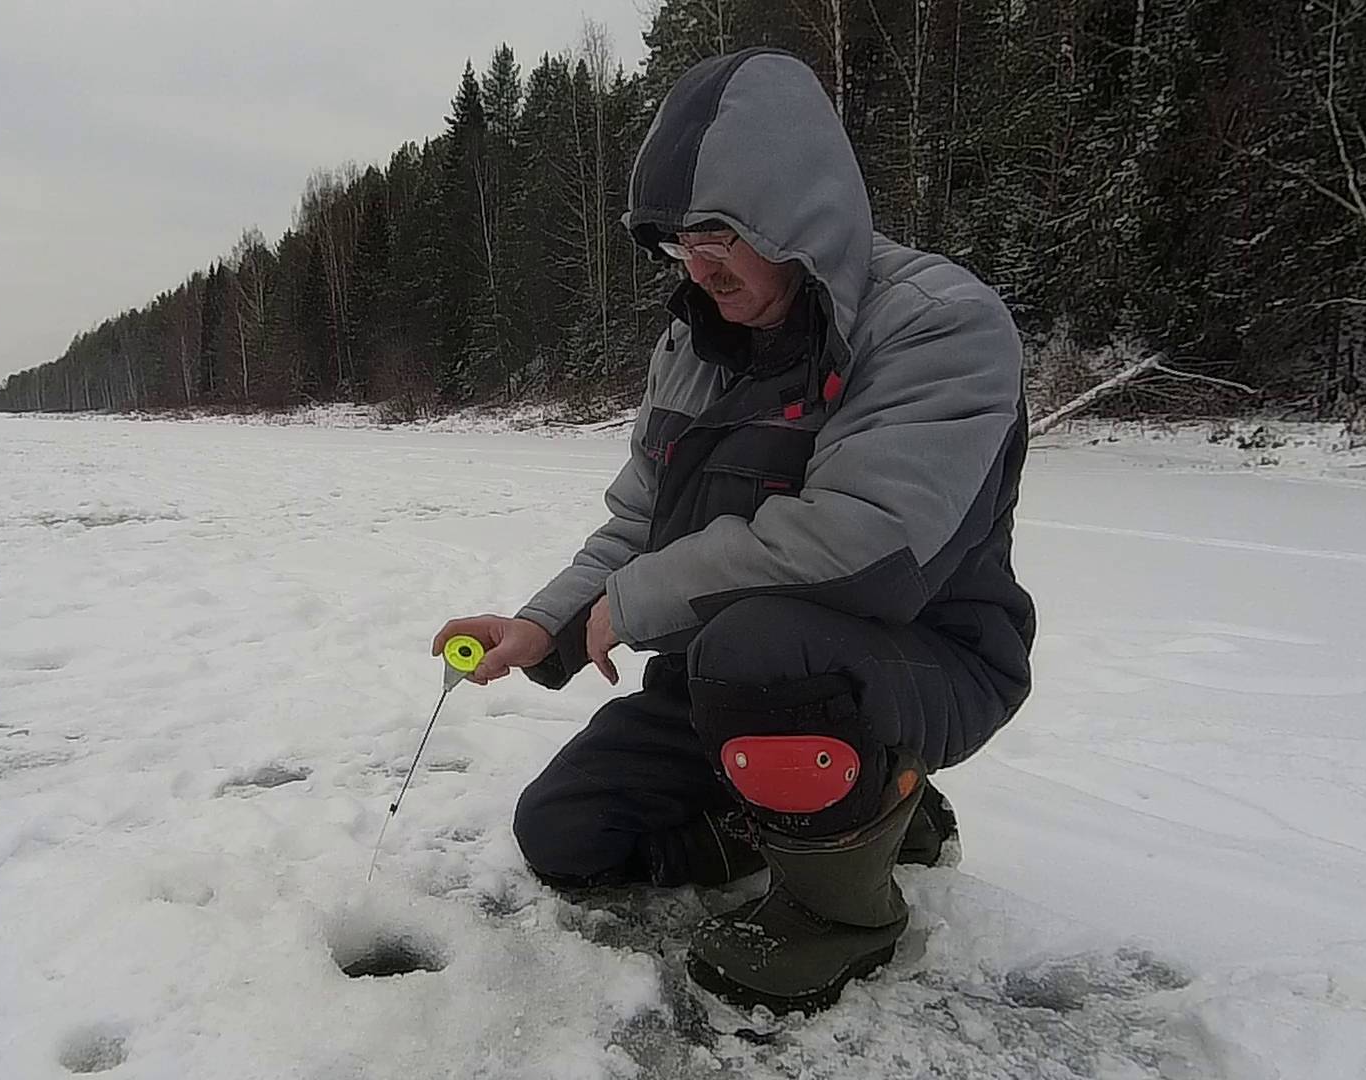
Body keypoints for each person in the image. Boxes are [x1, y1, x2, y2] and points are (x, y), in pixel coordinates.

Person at [433, 47, 1035, 1016]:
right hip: (729, 672)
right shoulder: (694, 342)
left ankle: (851, 901)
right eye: (676, 240)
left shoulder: (937, 323)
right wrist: (541, 628)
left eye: (718, 232)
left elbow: (867, 545)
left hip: (920, 658)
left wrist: (638, 604)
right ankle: (788, 813)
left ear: (799, 214)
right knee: (570, 835)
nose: (698, 266)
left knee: (764, 650)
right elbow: (640, 523)